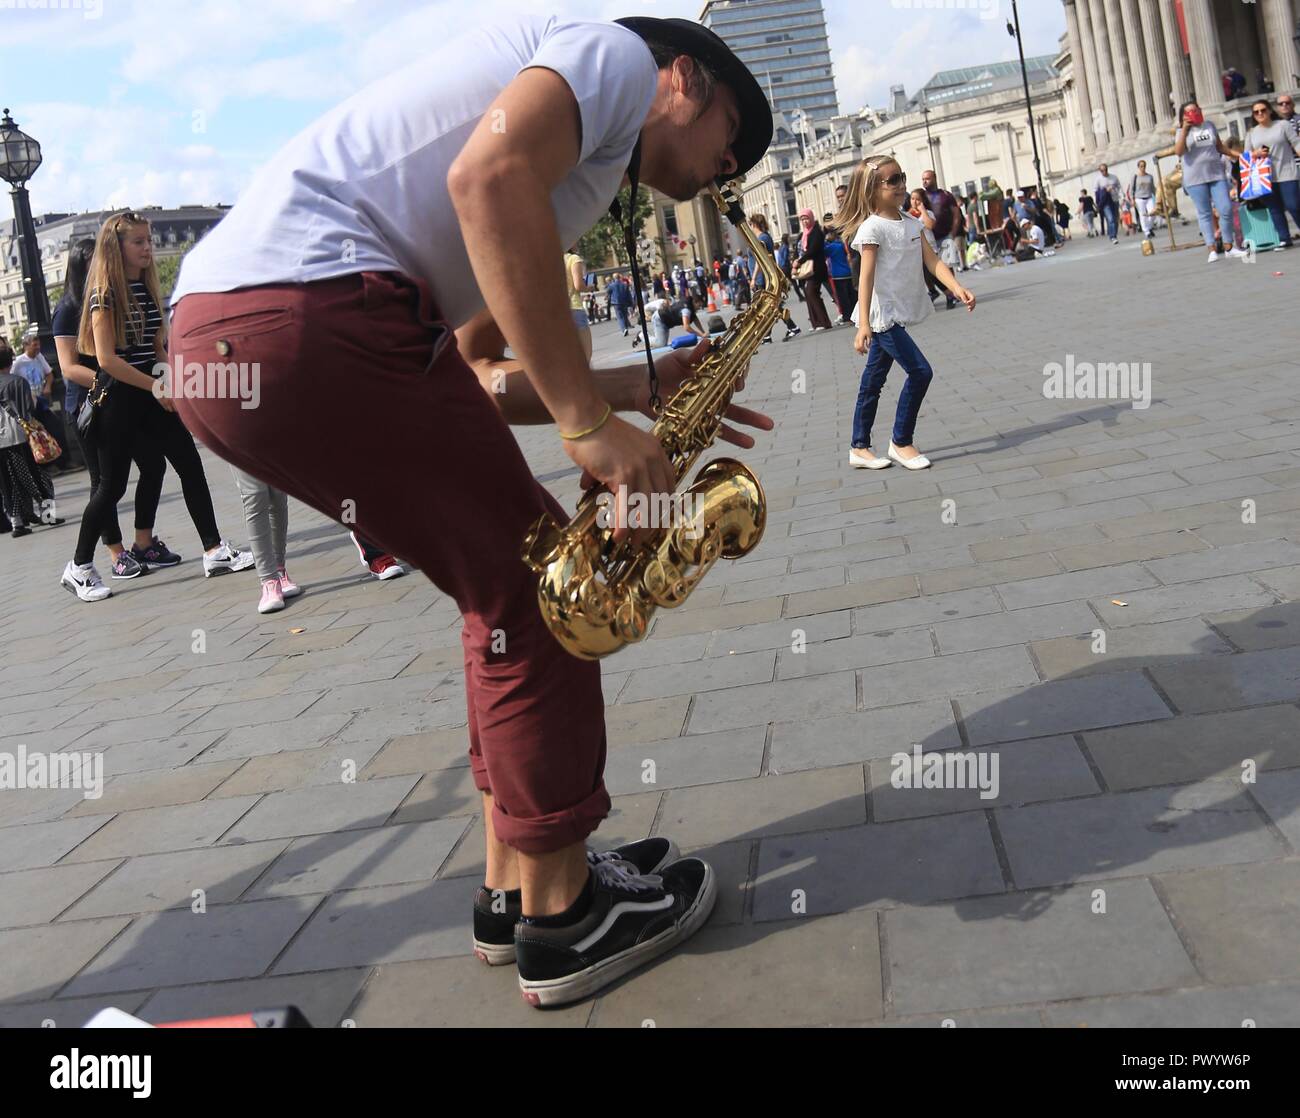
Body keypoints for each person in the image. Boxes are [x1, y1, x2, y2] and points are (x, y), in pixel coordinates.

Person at [165, 13, 774, 1007]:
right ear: (686, 81)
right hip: (309, 309)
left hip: (222, 340)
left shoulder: (571, 164)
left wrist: (627, 386)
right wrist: (585, 424)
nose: (728, 174)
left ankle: (514, 885)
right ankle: (566, 917)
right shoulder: (611, 57)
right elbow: (484, 182)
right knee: (541, 588)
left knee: (502, 585)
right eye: (732, 146)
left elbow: (480, 369)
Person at [61, 211, 253, 603]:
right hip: (119, 398)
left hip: (150, 393)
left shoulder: (144, 290)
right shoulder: (104, 294)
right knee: (111, 487)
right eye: (139, 242)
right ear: (117, 248)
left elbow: (155, 348)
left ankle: (214, 550)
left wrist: (169, 378)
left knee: (190, 465)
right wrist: (155, 385)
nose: (148, 248)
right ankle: (78, 566)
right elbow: (107, 360)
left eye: (149, 240)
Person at [832, 155, 974, 473]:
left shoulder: (911, 224)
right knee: (920, 371)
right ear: (872, 189)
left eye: (902, 177)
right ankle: (900, 441)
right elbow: (865, 278)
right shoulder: (872, 228)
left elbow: (932, 261)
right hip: (884, 315)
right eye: (892, 180)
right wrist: (864, 324)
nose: (900, 185)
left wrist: (956, 287)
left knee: (873, 380)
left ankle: (859, 446)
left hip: (896, 312)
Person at [53, 237, 152, 579]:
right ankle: (115, 553)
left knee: (152, 465)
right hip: (89, 406)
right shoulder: (68, 309)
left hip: (122, 399)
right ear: (85, 265)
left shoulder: (110, 299)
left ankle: (145, 541)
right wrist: (108, 377)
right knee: (105, 484)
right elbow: (67, 367)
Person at [1175, 100, 1256, 261]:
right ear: (1183, 116)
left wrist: (1241, 156)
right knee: (1205, 213)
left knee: (1225, 208)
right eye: (1189, 112)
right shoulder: (1180, 131)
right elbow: (1179, 151)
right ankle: (1211, 248)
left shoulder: (1209, 126)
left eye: (1195, 110)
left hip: (1216, 174)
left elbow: (1220, 147)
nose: (1193, 114)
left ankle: (1229, 246)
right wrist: (1185, 129)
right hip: (1195, 178)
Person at [0, 343, 54, 538]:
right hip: (21, 437)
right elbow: (28, 408)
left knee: (7, 483)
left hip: (1, 442)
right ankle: (47, 515)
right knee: (39, 476)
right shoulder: (18, 382)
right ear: (10, 361)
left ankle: (17, 524)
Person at [11, 329, 69, 471]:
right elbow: (12, 380)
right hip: (29, 404)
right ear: (26, 346)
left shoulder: (39, 357)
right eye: (34, 345)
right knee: (36, 435)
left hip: (41, 401)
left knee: (55, 426)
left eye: (38, 345)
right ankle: (45, 465)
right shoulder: (18, 363)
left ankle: (62, 461)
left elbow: (49, 374)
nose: (38, 347)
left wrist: (48, 386)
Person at [1247, 98, 1300, 249]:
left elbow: (1296, 142)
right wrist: (1256, 153)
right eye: (1256, 112)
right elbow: (1246, 154)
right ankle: (1284, 238)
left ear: (1270, 110)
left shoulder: (1282, 125)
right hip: (1265, 177)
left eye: (1263, 110)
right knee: (1274, 208)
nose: (1260, 114)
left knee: (1294, 205)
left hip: (1287, 171)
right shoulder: (1252, 132)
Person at [747, 213, 800, 342]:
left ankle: (789, 328)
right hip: (764, 277)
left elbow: (761, 260)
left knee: (770, 306)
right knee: (770, 306)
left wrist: (753, 278)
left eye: (750, 224)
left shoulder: (762, 238)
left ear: (754, 224)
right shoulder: (764, 237)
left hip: (763, 278)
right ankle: (769, 334)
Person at [908, 188, 949, 306]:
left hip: (929, 248)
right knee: (925, 275)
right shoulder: (909, 214)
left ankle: (948, 293)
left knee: (933, 274)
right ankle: (933, 291)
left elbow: (930, 225)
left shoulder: (928, 213)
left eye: (918, 199)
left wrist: (922, 210)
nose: (914, 201)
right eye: (912, 198)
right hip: (916, 249)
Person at [795, 208, 833, 330]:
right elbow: (799, 250)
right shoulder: (803, 234)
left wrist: (800, 261)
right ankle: (816, 322)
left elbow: (813, 250)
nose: (805, 221)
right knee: (808, 293)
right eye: (802, 219)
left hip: (816, 268)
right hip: (807, 268)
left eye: (806, 218)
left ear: (811, 218)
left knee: (812, 292)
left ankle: (823, 322)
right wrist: (796, 261)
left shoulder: (816, 231)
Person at [564, 248, 593, 360]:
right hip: (574, 307)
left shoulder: (550, 259)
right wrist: (588, 287)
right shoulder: (573, 259)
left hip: (558, 310)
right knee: (586, 352)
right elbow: (578, 286)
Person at [823, 227, 855, 325]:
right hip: (848, 272)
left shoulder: (831, 247)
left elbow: (822, 250)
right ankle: (854, 315)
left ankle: (847, 317)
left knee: (843, 298)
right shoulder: (841, 245)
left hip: (838, 275)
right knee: (851, 296)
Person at [1129, 160, 1157, 238]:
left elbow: (1152, 188)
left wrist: (1157, 196)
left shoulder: (1149, 176)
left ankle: (1149, 227)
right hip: (1139, 198)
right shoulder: (1135, 177)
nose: (1143, 167)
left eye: (1144, 166)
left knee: (1153, 213)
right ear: (1138, 167)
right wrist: (1132, 199)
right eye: (1141, 166)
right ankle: (1146, 231)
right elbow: (1131, 189)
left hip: (1149, 197)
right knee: (1143, 215)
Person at [1095, 164, 1121, 243]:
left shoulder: (1114, 177)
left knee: (1116, 219)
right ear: (1100, 171)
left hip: (1114, 199)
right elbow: (1096, 191)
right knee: (1110, 219)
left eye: (1105, 169)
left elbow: (1119, 187)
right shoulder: (1098, 180)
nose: (1104, 172)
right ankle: (1113, 237)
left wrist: (1114, 189)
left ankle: (1112, 234)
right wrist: (1104, 190)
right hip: (1106, 202)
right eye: (1102, 170)